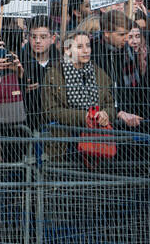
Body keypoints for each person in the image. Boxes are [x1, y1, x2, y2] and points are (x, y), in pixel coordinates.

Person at [41, 31, 116, 161]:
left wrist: (105, 114)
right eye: (80, 47)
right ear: (67, 50)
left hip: (96, 140)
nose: (86, 50)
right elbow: (51, 111)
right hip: (65, 141)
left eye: (88, 45)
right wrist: (83, 116)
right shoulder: (54, 75)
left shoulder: (99, 73)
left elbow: (110, 104)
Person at [19, 15, 57, 129]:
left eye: (43, 37)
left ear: (53, 38)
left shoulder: (61, 64)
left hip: (53, 123)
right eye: (33, 36)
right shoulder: (19, 62)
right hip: (25, 123)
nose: (38, 41)